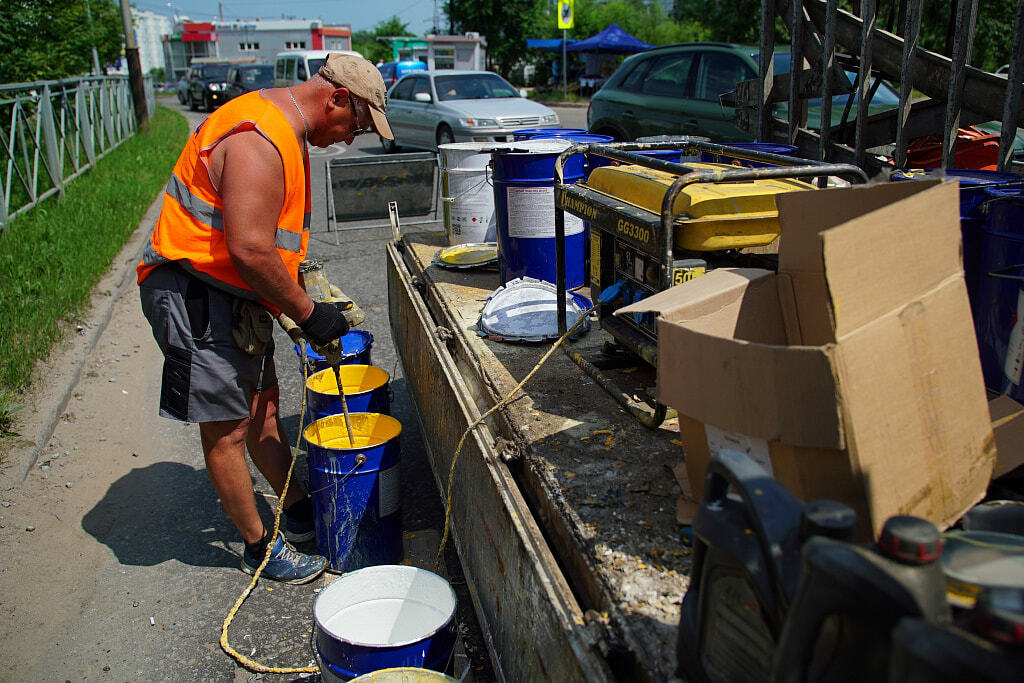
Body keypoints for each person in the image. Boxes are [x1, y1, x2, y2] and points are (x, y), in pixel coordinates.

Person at [137, 54, 394, 584]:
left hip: (235, 293)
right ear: (337, 99)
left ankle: (295, 507)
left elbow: (269, 248)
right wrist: (308, 315)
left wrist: (296, 298)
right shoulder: (259, 138)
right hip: (196, 293)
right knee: (228, 427)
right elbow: (252, 250)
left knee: (264, 410)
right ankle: (260, 546)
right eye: (357, 124)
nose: (352, 137)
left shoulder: (288, 132)